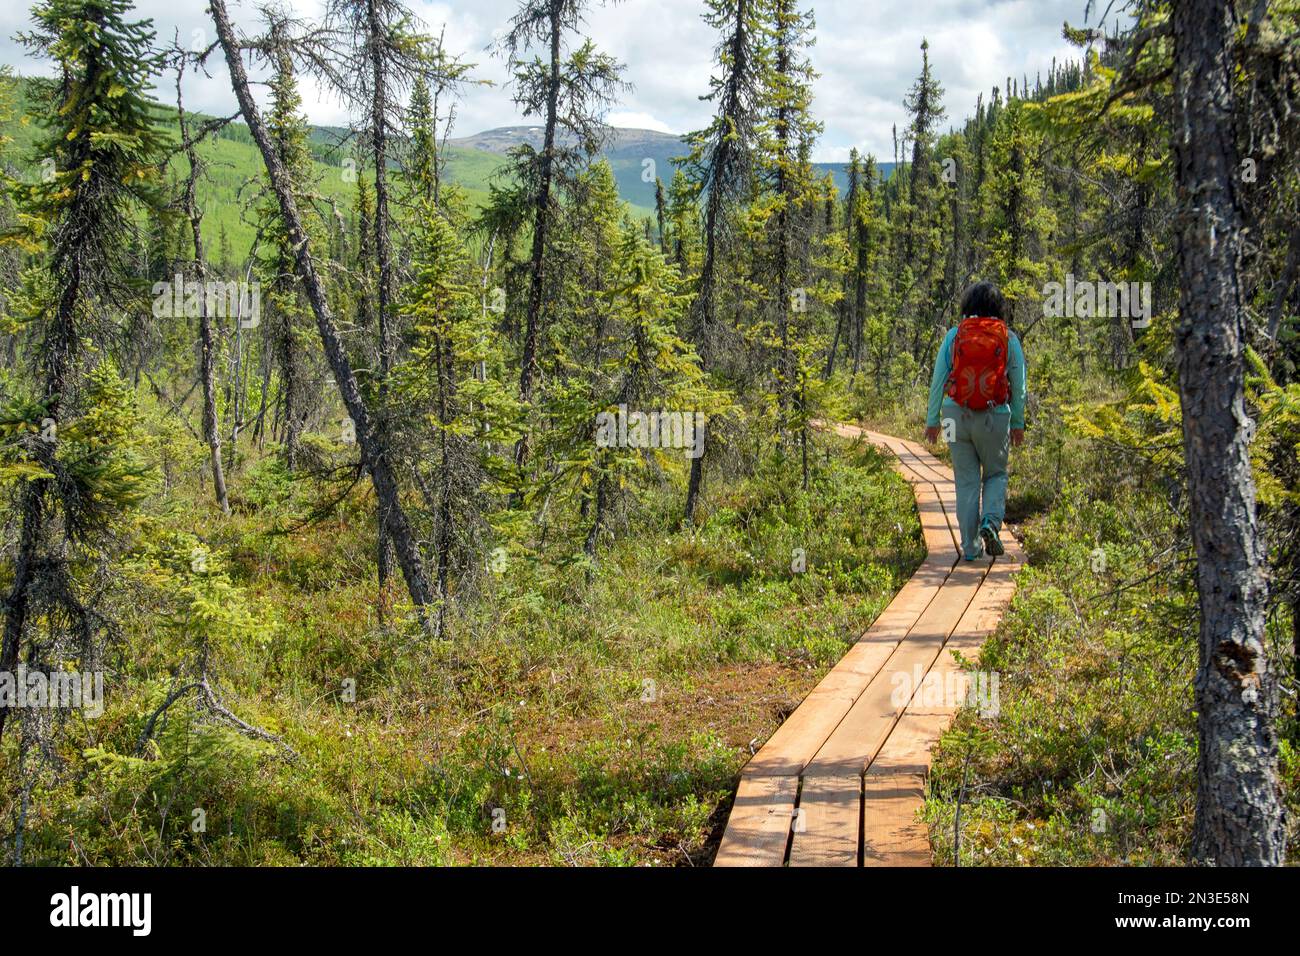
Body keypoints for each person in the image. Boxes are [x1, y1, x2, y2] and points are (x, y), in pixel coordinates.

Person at [924, 281, 1026, 561]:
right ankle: (990, 524)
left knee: (966, 481)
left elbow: (938, 381)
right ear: (998, 308)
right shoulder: (1008, 338)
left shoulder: (955, 336)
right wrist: (1017, 423)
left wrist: (932, 420)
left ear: (967, 306)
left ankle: (970, 548)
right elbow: (1019, 386)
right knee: (995, 474)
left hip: (954, 416)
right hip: (994, 417)